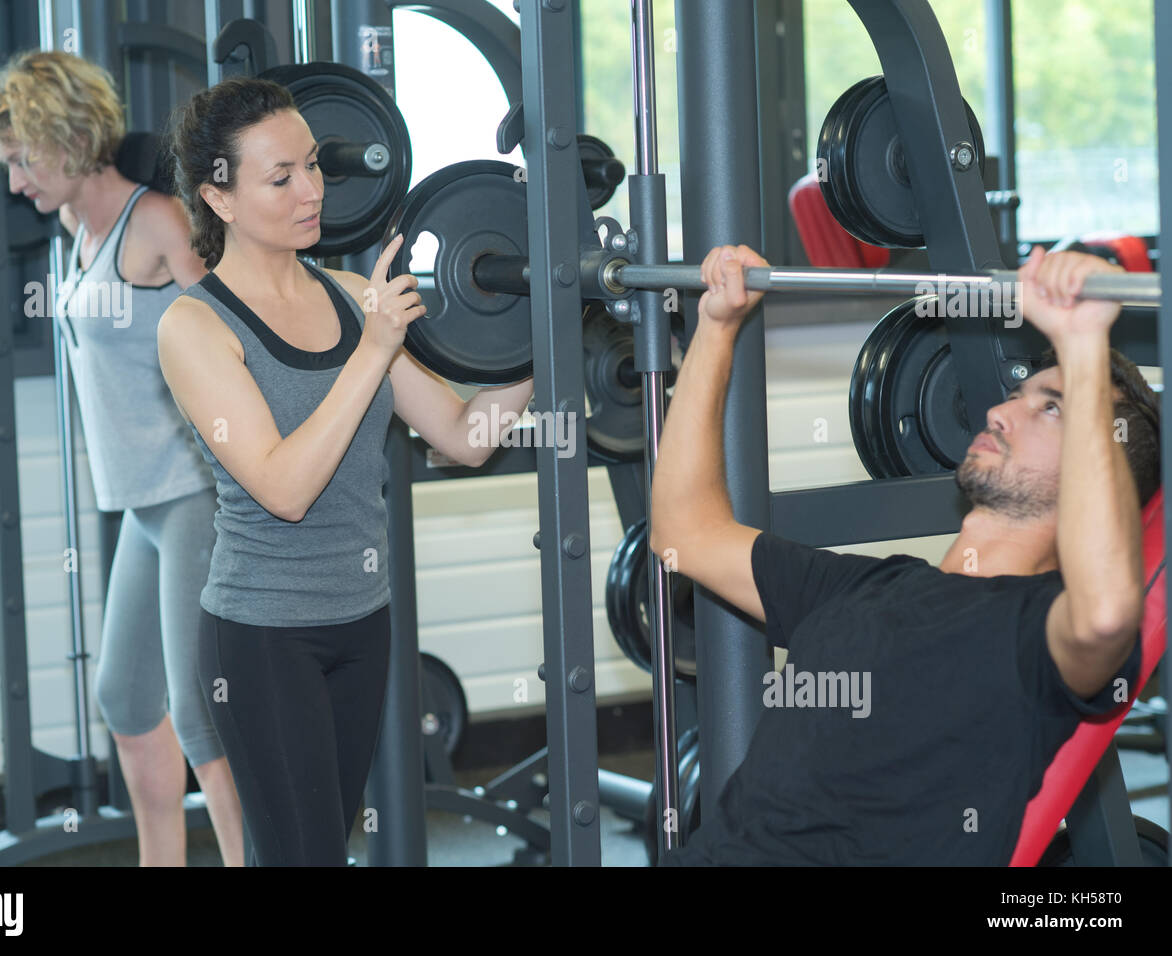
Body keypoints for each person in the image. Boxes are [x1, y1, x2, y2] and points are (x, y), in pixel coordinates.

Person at [652, 244, 1155, 865]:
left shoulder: (1039, 633)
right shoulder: (862, 587)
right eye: (1019, 395)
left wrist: (1083, 346)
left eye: (1051, 408)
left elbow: (1104, 615)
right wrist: (717, 327)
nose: (998, 413)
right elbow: (683, 530)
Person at [157, 76, 535, 866]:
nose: (311, 191)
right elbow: (284, 488)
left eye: (313, 166)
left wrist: (549, 339)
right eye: (281, 177)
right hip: (262, 638)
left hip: (362, 622)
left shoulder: (353, 294)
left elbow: (464, 436)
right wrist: (371, 349)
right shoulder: (194, 327)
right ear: (219, 200)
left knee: (313, 847)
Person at [0, 50, 244, 866]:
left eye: (24, 160)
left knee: (201, 715)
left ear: (67, 139)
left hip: (194, 489)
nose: (17, 182)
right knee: (125, 698)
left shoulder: (156, 223)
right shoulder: (75, 229)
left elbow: (236, 332)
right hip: (141, 500)